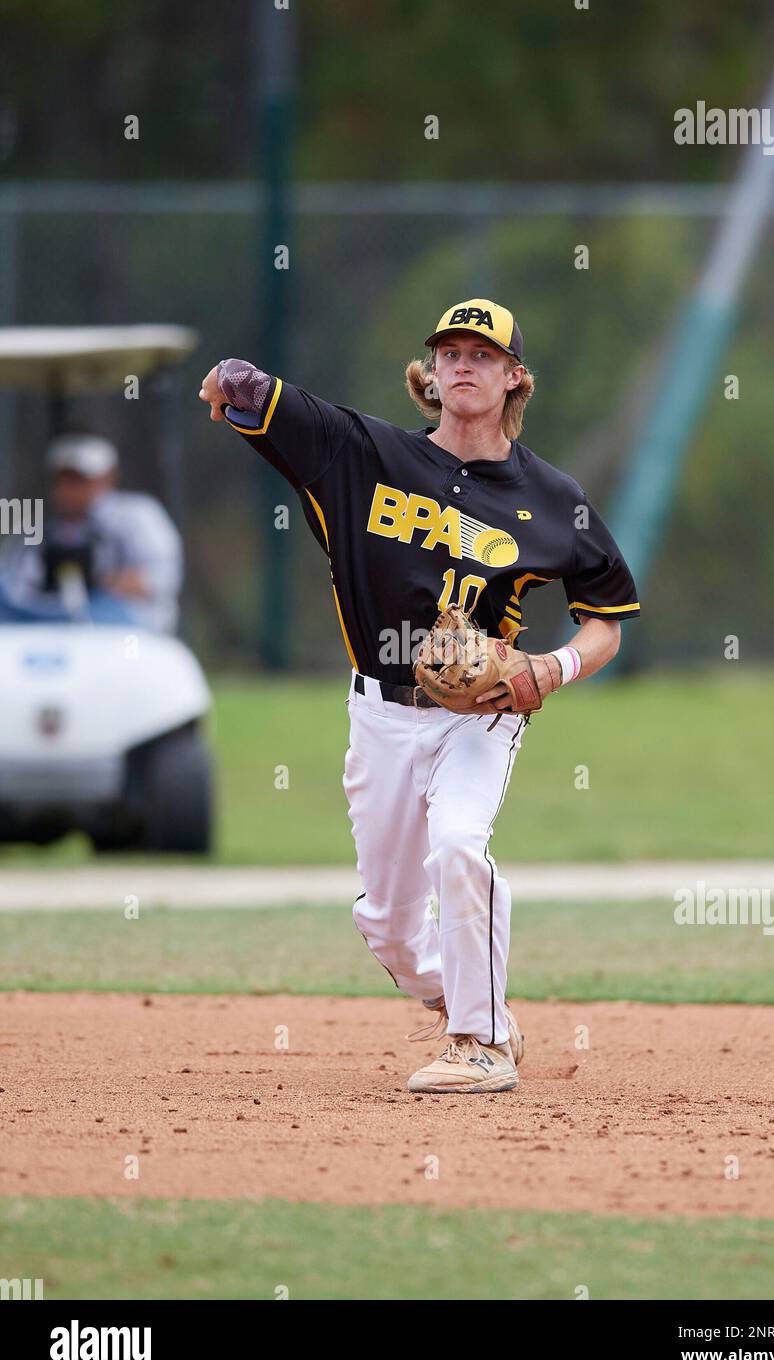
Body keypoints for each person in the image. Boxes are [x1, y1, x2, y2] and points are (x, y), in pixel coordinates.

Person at [199, 297, 640, 1094]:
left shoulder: (553, 497)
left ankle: (480, 1041)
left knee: (459, 848)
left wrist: (551, 669)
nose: (464, 363)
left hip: (479, 715)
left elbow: (605, 620)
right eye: (450, 352)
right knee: (390, 931)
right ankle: (478, 1007)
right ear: (431, 374)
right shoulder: (362, 455)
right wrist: (234, 380)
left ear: (514, 378)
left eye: (482, 353)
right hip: (378, 711)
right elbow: (263, 396)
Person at [0, 434, 182, 633]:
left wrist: (99, 581)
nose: (69, 489)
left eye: (79, 480)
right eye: (63, 479)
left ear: (108, 477)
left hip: (123, 629)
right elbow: (13, 585)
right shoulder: (39, 527)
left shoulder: (138, 516)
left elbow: (161, 579)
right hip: (46, 623)